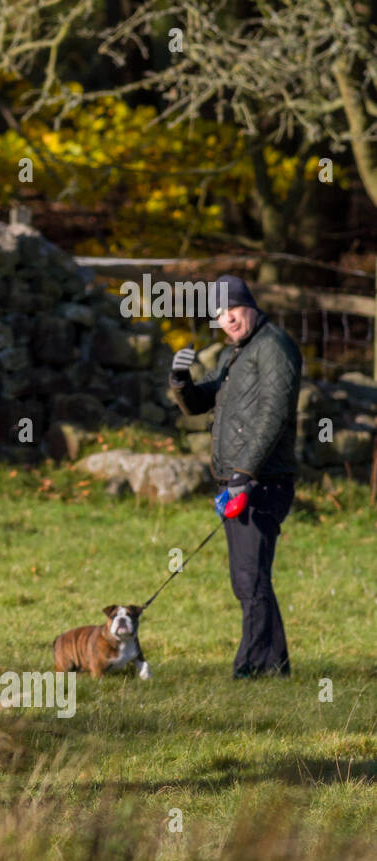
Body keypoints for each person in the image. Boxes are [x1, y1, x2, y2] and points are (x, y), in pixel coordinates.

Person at [169, 275, 302, 677]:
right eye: (219, 314)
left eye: (232, 310)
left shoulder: (274, 347)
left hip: (263, 481)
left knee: (249, 578)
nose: (226, 319)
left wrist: (244, 473)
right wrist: (180, 382)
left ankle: (251, 667)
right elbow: (198, 403)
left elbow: (274, 414)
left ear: (250, 305)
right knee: (250, 575)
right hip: (240, 482)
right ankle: (274, 666)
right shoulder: (234, 354)